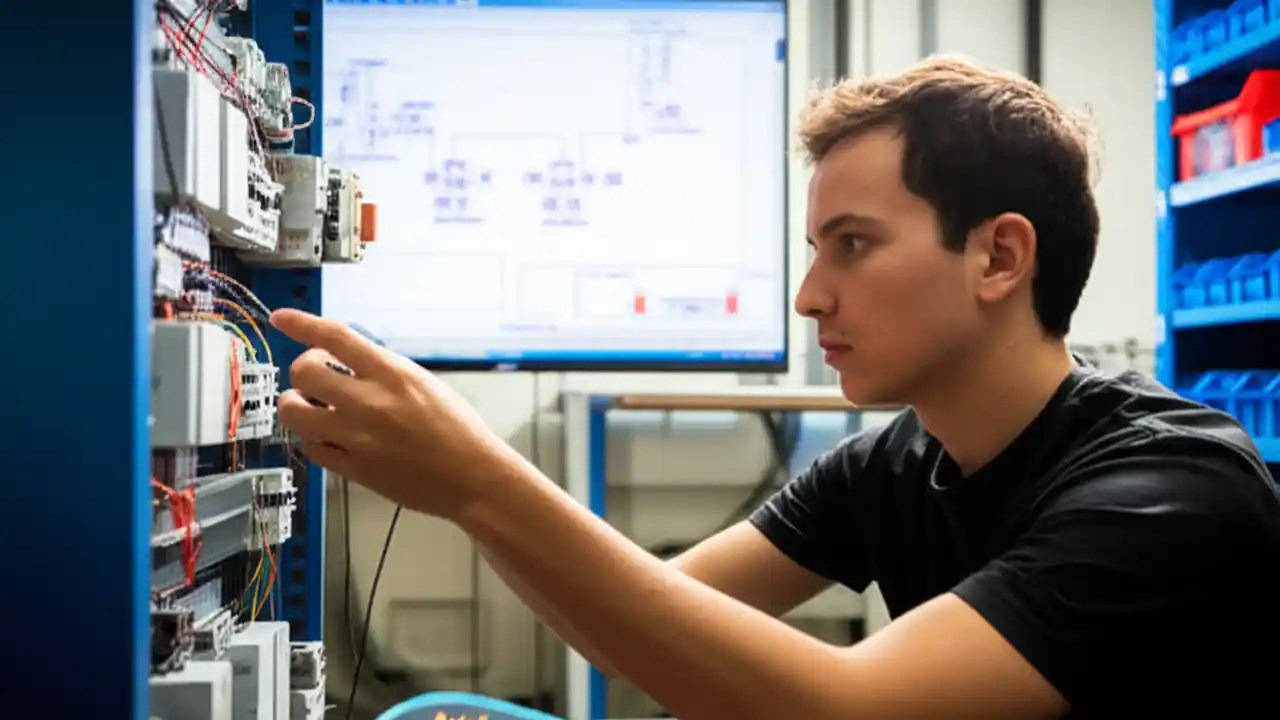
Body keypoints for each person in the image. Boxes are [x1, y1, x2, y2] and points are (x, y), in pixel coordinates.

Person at [270, 55, 1280, 719]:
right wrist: (453, 488)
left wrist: (479, 479)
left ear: (998, 257)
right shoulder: (896, 461)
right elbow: (621, 627)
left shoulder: (1172, 490)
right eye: (813, 249)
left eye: (851, 247)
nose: (807, 297)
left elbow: (842, 710)